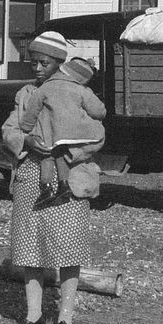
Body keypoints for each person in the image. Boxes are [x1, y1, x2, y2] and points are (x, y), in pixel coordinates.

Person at [2, 32, 104, 324]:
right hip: (31, 176)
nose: (37, 68)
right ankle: (34, 316)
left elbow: (97, 135)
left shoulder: (77, 92)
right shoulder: (25, 94)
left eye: (44, 62)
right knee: (31, 248)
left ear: (60, 64)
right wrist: (25, 140)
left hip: (70, 178)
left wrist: (69, 152)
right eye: (34, 62)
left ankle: (66, 319)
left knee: (68, 250)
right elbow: (9, 128)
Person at [19, 56, 106, 210]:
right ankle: (64, 186)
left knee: (47, 155)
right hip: (75, 135)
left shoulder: (44, 88)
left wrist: (26, 127)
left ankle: (46, 189)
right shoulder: (81, 89)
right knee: (62, 154)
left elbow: (32, 110)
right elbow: (99, 111)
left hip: (50, 135)